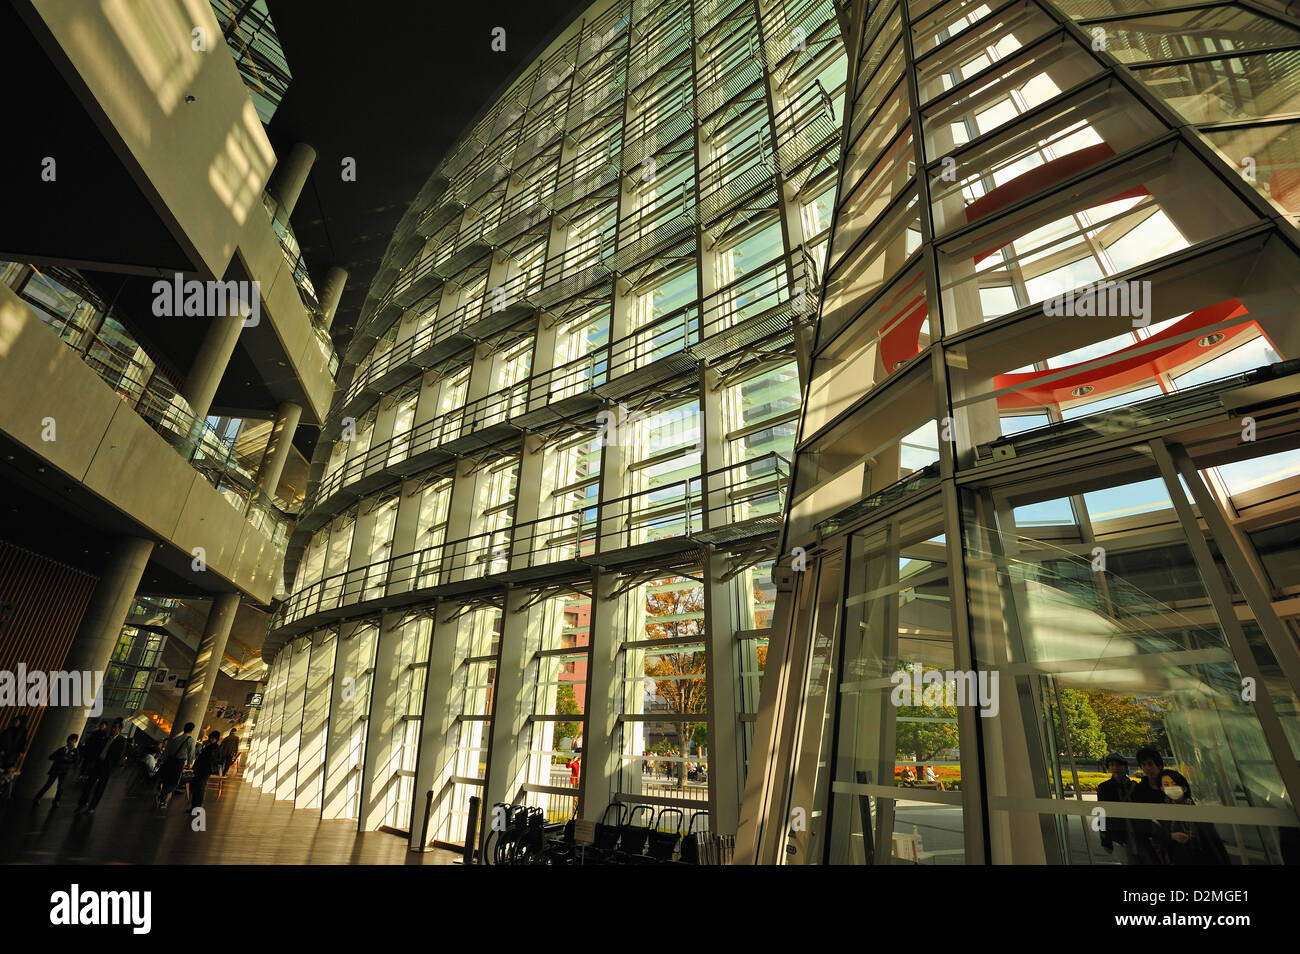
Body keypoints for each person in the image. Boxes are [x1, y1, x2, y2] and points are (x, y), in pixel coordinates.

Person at [1151, 770, 1230, 865]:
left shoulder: (1197, 808)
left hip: (1203, 856)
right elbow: (1156, 835)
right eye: (1166, 785)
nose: (1171, 788)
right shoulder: (1161, 811)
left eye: (1174, 784)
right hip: (1178, 858)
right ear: (1162, 788)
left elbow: (1212, 838)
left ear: (1184, 788)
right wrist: (1171, 836)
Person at [75, 718, 127, 815]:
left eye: (115, 728)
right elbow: (96, 749)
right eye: (112, 727)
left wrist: (111, 766)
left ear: (119, 729)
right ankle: (82, 804)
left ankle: (92, 807)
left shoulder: (122, 741)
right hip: (97, 764)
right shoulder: (105, 737)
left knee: (100, 788)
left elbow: (119, 755)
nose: (112, 729)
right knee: (89, 784)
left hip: (107, 767)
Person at [1097, 754, 1141, 863]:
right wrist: (1105, 840)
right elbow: (1102, 813)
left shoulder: (1134, 786)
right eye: (1112, 765)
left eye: (1118, 765)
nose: (1115, 768)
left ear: (1125, 767)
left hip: (1138, 832)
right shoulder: (1104, 788)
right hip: (1118, 833)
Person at [1126, 746, 1167, 864]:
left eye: (1150, 763)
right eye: (1144, 765)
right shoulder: (1139, 789)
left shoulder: (1170, 784)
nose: (1148, 768)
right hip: (1150, 838)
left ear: (1159, 764)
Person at [156, 723, 197, 809]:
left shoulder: (176, 738)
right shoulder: (190, 740)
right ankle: (162, 796)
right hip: (179, 763)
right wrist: (190, 764)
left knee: (167, 781)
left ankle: (162, 801)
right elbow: (191, 753)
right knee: (175, 783)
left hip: (170, 761)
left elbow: (168, 750)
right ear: (192, 730)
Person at [32, 734, 78, 806]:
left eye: (74, 741)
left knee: (60, 787)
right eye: (71, 740)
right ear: (68, 740)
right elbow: (51, 757)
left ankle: (56, 801)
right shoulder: (62, 749)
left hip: (64, 771)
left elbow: (75, 761)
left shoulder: (75, 751)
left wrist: (68, 760)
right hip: (56, 769)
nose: (72, 742)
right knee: (48, 784)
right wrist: (61, 758)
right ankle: (37, 797)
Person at [189, 731, 222, 809]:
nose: (211, 739)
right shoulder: (212, 747)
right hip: (203, 769)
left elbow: (207, 758)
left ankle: (196, 806)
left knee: (200, 787)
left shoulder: (213, 748)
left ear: (216, 739)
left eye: (212, 738)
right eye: (211, 737)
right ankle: (195, 806)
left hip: (204, 769)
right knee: (199, 787)